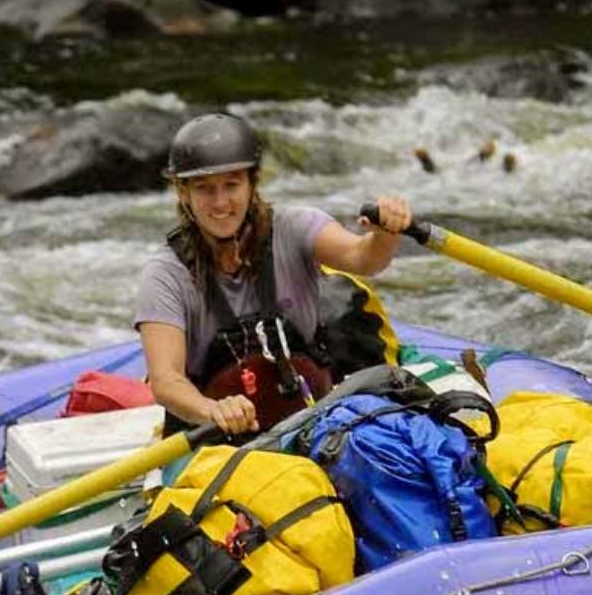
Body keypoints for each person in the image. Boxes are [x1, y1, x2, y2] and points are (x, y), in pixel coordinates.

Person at [134, 112, 413, 436]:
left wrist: (385, 235)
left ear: (252, 183)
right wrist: (212, 410)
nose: (220, 202)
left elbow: (363, 259)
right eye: (205, 189)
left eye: (231, 185)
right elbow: (166, 381)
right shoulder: (165, 273)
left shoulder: (295, 227)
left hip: (310, 427)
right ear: (184, 193)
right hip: (217, 441)